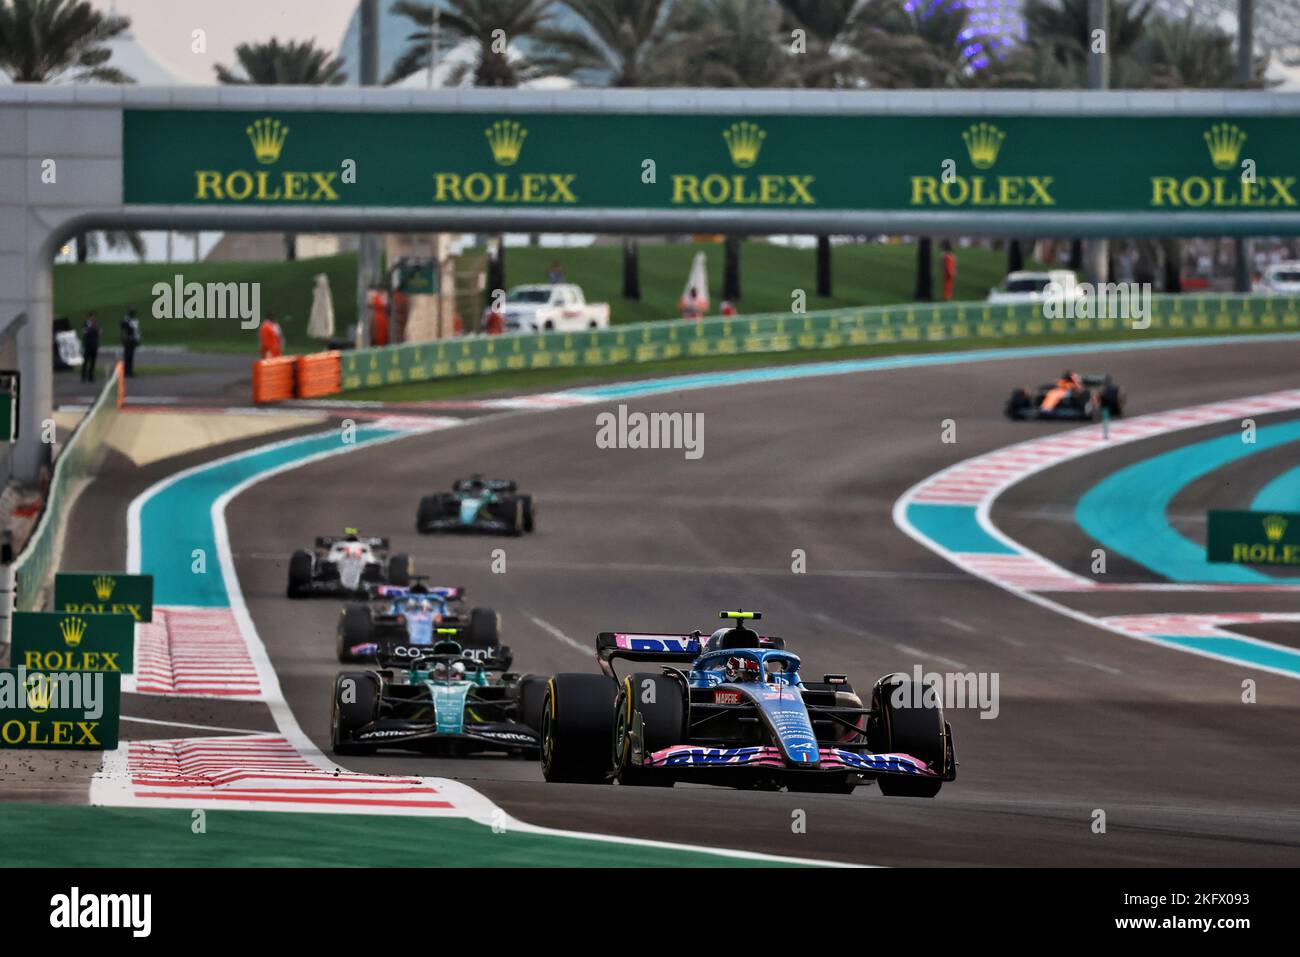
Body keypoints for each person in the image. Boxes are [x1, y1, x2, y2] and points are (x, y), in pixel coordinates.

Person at [119, 308, 141, 377]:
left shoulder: (133, 321)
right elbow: (122, 326)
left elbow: (136, 331)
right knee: (127, 357)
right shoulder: (127, 321)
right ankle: (126, 372)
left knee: (130, 356)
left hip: (131, 340)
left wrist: (137, 339)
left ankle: (129, 371)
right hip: (128, 340)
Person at [80, 313, 100, 382]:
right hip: (88, 346)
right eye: (93, 317)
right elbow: (84, 332)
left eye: (95, 317)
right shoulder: (86, 324)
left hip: (94, 346)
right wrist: (91, 329)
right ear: (89, 317)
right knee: (85, 361)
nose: (94, 319)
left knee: (92, 362)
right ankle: (83, 376)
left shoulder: (96, 325)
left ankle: (91, 376)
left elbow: (98, 333)